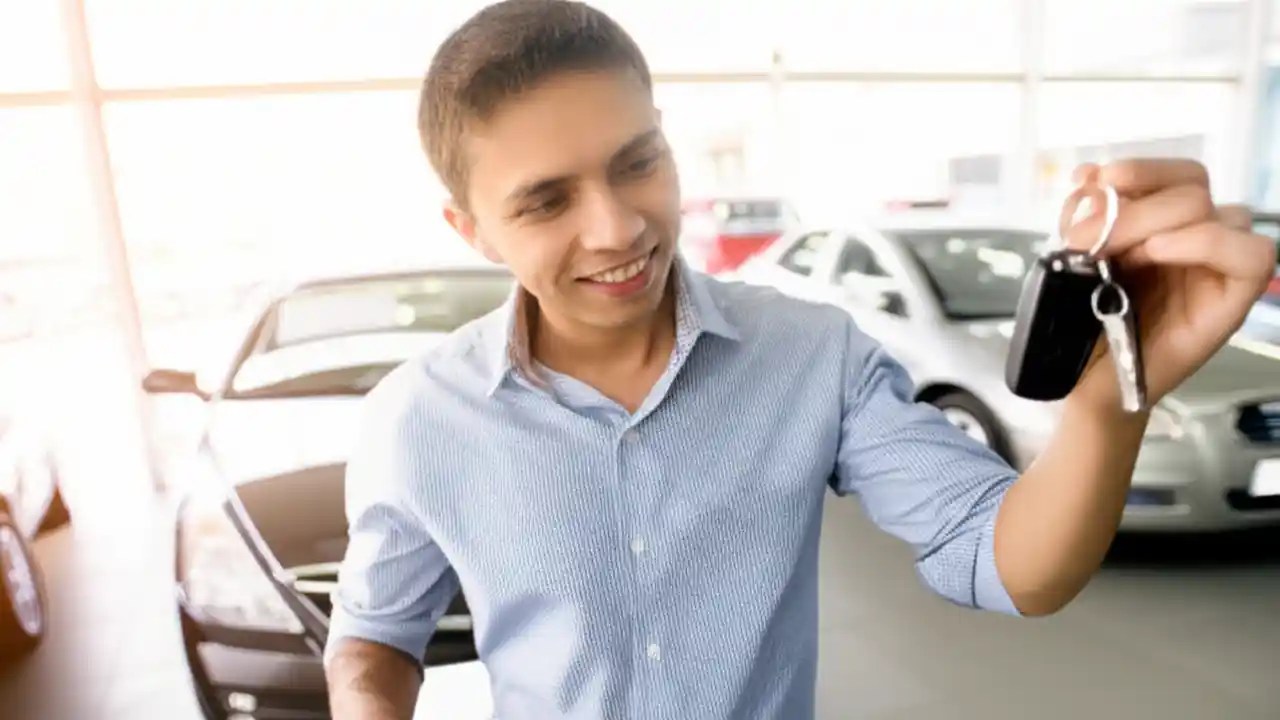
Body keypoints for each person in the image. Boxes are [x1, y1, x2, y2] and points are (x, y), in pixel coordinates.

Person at [322, 2, 1276, 718]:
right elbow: (373, 637)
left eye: (637, 161)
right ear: (474, 229)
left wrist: (1112, 401)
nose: (617, 226)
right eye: (545, 202)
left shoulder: (812, 354)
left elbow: (1012, 565)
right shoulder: (418, 417)